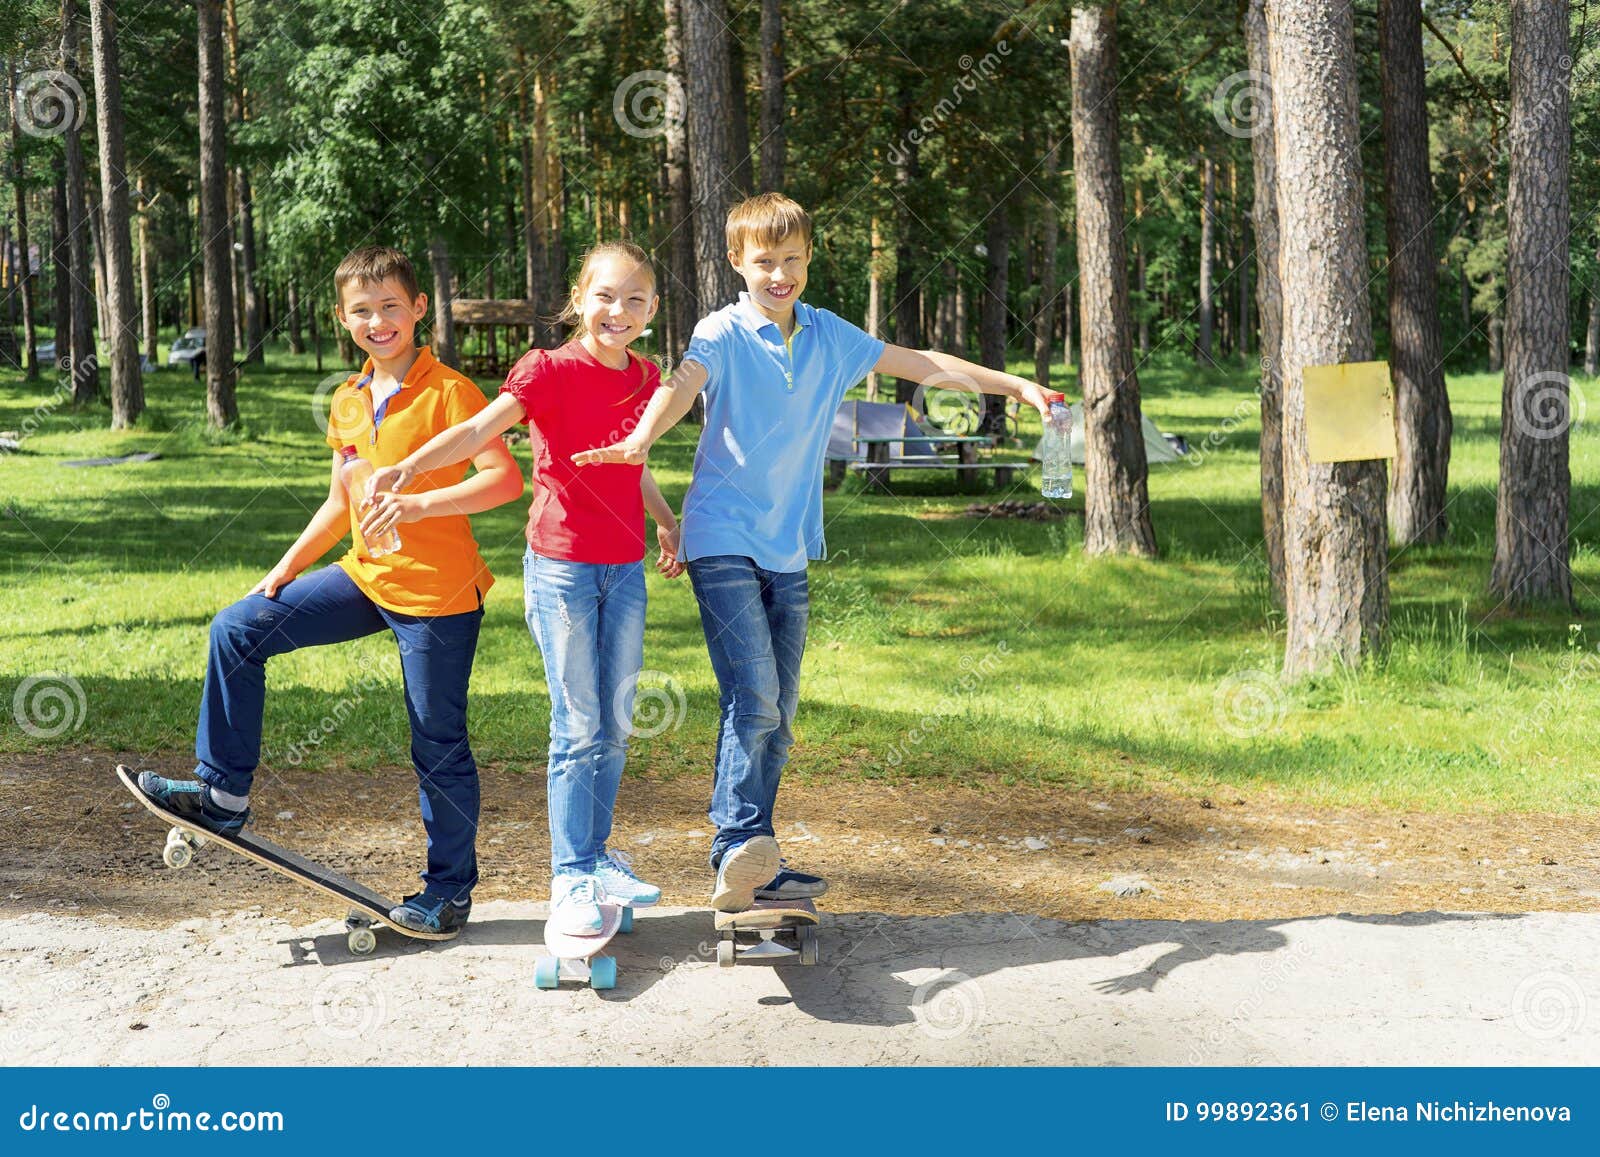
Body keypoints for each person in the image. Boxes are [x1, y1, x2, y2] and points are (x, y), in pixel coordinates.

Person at [574, 194, 1063, 912]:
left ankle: (754, 859)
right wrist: (642, 439)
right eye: (765, 260)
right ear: (737, 261)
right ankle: (736, 840)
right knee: (757, 696)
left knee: (781, 709)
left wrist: (1013, 383)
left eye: (793, 259)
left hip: (788, 545)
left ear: (808, 260)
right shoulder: (724, 330)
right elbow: (683, 385)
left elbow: (922, 361)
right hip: (721, 537)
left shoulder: (830, 334)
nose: (780, 272)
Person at [133, 245, 523, 935]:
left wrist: (421, 506)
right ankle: (222, 794)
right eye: (363, 311)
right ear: (344, 319)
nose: (379, 321)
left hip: (438, 595)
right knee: (237, 628)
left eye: (391, 307)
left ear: (419, 309)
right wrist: (285, 567)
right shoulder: (347, 399)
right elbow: (342, 499)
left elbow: (503, 479)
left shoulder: (451, 391)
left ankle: (449, 892)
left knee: (437, 742)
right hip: (365, 576)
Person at [364, 242, 684, 936]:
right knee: (578, 724)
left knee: (616, 721)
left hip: (624, 567)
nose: (618, 311)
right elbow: (478, 429)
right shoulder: (547, 370)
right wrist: (409, 469)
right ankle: (571, 874)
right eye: (605, 296)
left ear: (652, 309)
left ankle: (596, 857)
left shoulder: (647, 375)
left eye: (635, 299)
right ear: (579, 299)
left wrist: (666, 523)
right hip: (563, 568)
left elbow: (635, 464)